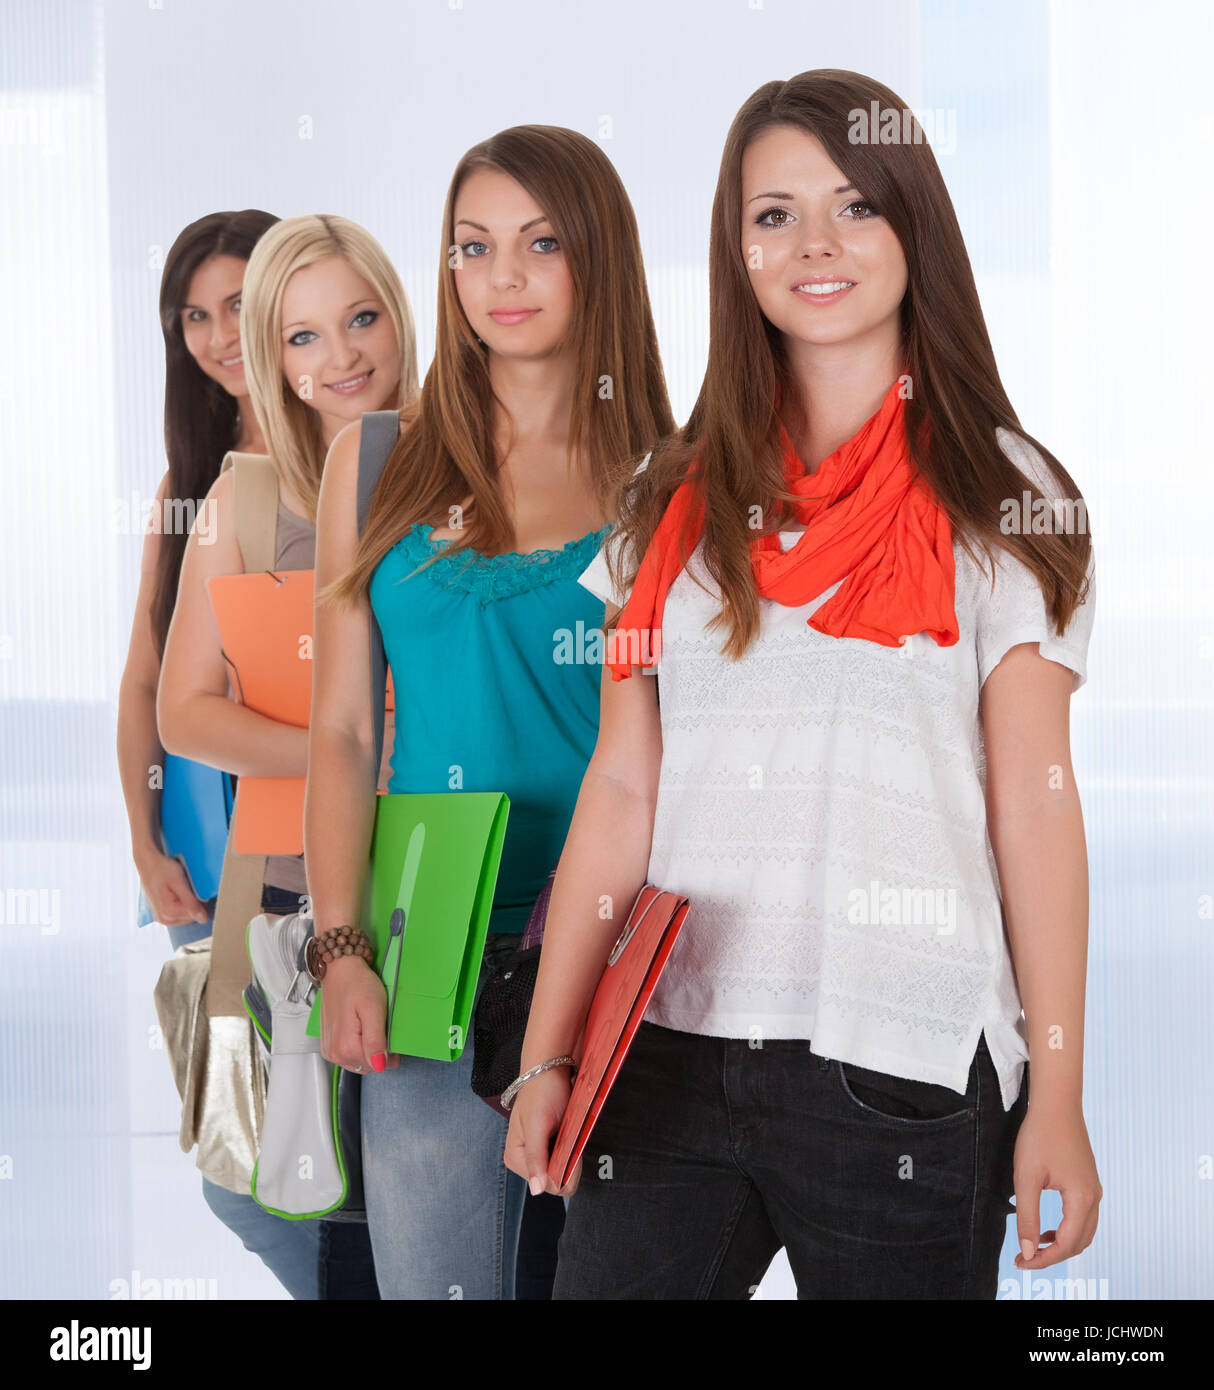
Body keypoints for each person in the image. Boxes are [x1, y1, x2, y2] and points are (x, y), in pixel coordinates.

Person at [507, 68, 1101, 1300]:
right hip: (668, 1047)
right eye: (772, 215)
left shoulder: (1006, 497)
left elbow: (1034, 806)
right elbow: (620, 787)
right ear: (736, 253)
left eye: (853, 206)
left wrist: (1058, 1093)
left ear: (912, 226)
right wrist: (547, 1052)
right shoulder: (667, 500)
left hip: (902, 1058)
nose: (812, 244)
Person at [306, 125, 675, 1300]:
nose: (500, 276)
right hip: (422, 941)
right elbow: (342, 732)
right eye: (473, 246)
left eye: (540, 243)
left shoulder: (666, 479)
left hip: (612, 949)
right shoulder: (373, 462)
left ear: (598, 257)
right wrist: (340, 945)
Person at [158, 213, 418, 1298]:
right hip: (288, 901)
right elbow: (183, 711)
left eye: (362, 319)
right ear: (269, 357)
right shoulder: (247, 498)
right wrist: (341, 754)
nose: (341, 357)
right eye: (302, 337)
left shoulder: (466, 468)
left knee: (435, 1204)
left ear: (401, 315)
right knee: (316, 1200)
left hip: (446, 886)